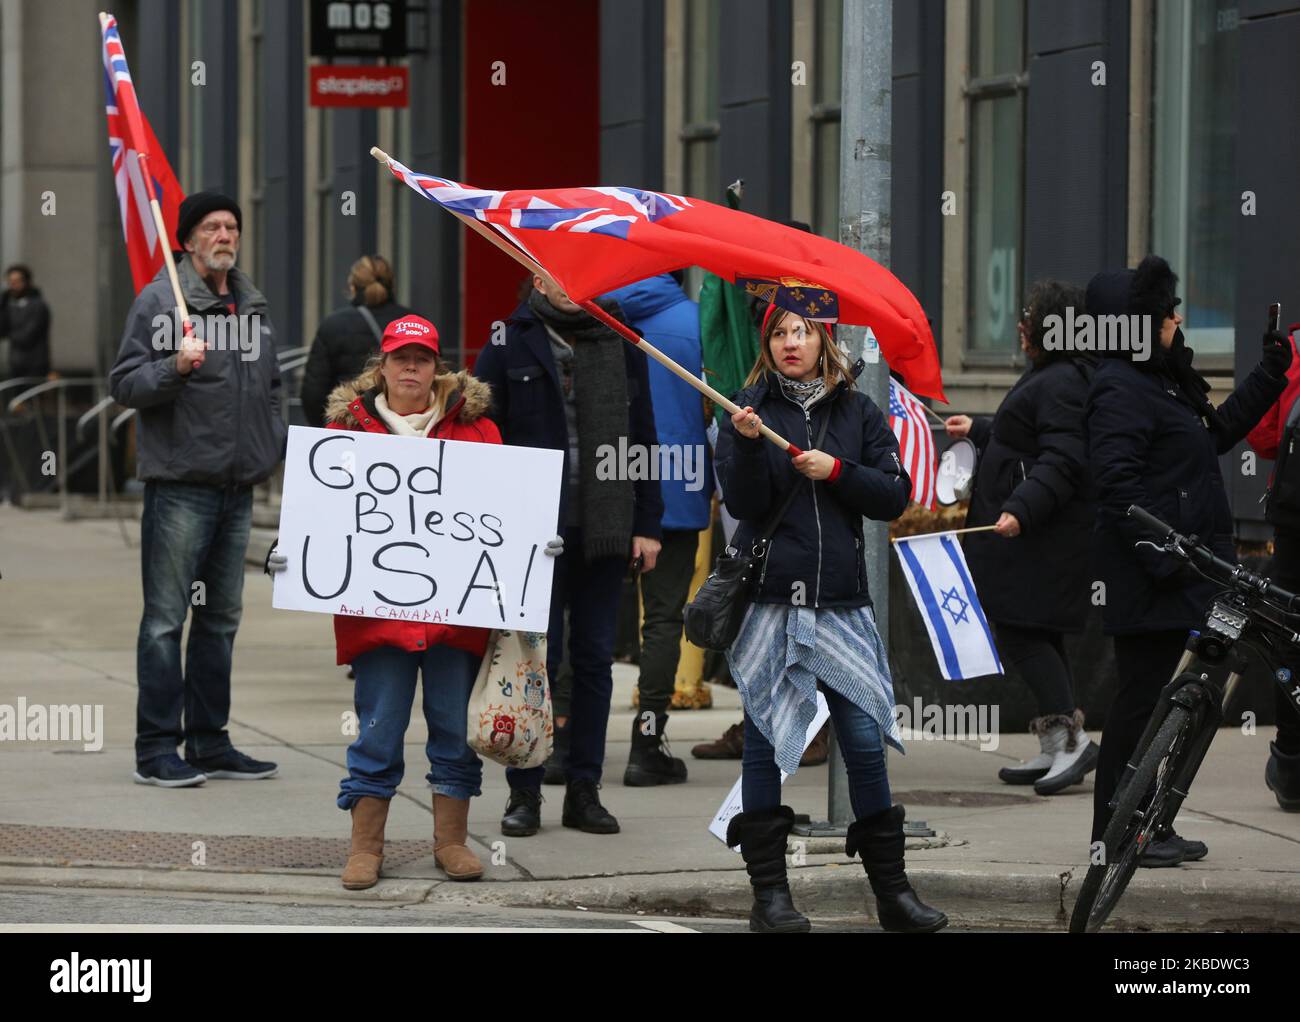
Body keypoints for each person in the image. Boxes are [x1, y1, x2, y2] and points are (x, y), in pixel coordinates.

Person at [268, 313, 562, 889]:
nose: (410, 367)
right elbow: (321, 520)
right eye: (400, 357)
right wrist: (288, 552)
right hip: (377, 620)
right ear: (381, 367)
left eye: (422, 358)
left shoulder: (480, 433)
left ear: (437, 369)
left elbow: (503, 517)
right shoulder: (343, 440)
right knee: (377, 730)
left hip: (456, 620)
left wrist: (537, 541)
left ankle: (450, 841)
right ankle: (366, 846)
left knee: (454, 729)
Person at [715, 303, 947, 933]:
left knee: (866, 746)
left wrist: (836, 470)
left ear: (824, 341)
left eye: (804, 332)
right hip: (771, 604)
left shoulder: (858, 411)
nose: (792, 342)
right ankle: (771, 899)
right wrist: (741, 443)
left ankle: (894, 897)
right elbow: (745, 503)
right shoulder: (748, 409)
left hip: (842, 603)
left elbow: (893, 496)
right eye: (780, 333)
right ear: (768, 343)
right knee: (764, 746)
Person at [1085, 254, 1290, 864]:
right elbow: (1117, 489)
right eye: (1165, 312)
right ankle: (1113, 834)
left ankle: (1151, 822)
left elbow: (1216, 434)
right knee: (1140, 705)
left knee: (1185, 700)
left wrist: (1270, 374)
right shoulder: (1119, 388)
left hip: (1192, 569)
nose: (1177, 319)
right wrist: (1162, 558)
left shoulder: (1162, 380)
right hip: (1156, 576)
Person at [473, 275, 663, 837]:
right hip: (533, 534)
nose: (566, 284)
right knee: (533, 660)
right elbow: (482, 431)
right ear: (533, 274)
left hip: (605, 529)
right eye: (553, 272)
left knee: (594, 662)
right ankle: (525, 794)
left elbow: (644, 439)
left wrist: (647, 524)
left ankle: (584, 790)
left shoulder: (621, 338)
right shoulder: (510, 338)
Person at [109, 191, 287, 787]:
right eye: (211, 226)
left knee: (219, 621)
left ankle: (210, 742)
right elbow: (125, 384)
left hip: (237, 489)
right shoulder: (162, 301)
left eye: (232, 226)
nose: (224, 235)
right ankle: (157, 748)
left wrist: (273, 443)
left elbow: (270, 387)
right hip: (181, 488)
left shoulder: (249, 305)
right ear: (187, 240)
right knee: (165, 620)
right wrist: (174, 368)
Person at [945, 280, 1099, 795]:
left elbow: (1062, 460)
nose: (1021, 325)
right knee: (1039, 631)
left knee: (1022, 632)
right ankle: (1057, 744)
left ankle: (1072, 743)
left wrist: (1020, 510)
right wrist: (982, 429)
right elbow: (1026, 442)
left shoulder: (1060, 382)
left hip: (1036, 542)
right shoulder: (1053, 377)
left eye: (1030, 317)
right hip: (1033, 542)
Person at [601, 273, 710, 786]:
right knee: (664, 620)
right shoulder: (696, 322)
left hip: (607, 479)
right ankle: (646, 746)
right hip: (677, 485)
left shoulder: (597, 312)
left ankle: (561, 742)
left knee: (586, 614)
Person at [1244, 319, 1300, 810]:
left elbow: (1263, 439)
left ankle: (1292, 761)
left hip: (1295, 520)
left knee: (1290, 631)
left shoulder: (1294, 346)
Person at [300, 255, 412, 427]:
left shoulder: (334, 325)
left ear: (353, 287)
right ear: (392, 285)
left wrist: (326, 428)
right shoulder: (415, 324)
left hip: (350, 423)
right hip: (407, 424)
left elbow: (313, 393)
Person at [0, 264, 51, 378]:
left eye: (17, 282)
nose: (13, 286)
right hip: (15, 363)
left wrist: (10, 333)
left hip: (35, 364)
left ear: (27, 282)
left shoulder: (38, 306)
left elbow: (27, 336)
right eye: (10, 282)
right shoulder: (10, 306)